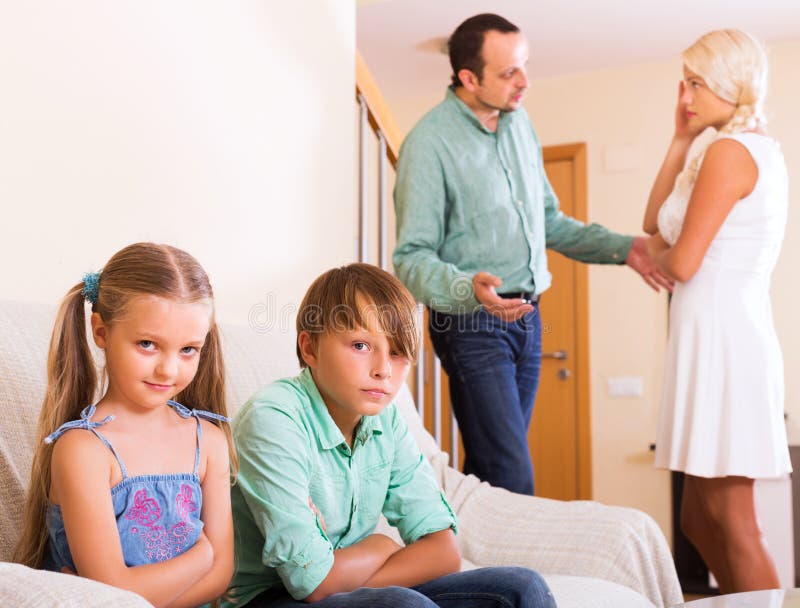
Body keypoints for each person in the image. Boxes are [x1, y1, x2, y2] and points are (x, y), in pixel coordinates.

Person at [393, 12, 672, 495]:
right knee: (511, 473)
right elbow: (410, 257)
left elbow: (549, 221)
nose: (525, 81)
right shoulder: (429, 143)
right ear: (468, 78)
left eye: (525, 65)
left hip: (528, 318)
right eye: (509, 73)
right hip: (472, 322)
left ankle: (467, 545)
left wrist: (624, 248)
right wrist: (467, 287)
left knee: (492, 469)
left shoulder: (520, 125)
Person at [224, 263, 555, 608]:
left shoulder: (386, 420)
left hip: (347, 584)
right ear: (309, 349)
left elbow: (443, 551)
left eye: (397, 353)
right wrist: (379, 546)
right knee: (403, 604)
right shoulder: (273, 418)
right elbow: (311, 582)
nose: (383, 370)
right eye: (360, 345)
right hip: (265, 598)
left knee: (522, 586)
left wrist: (343, 577)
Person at [644, 29, 790, 593]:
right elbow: (653, 222)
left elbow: (679, 260)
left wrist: (656, 255)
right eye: (683, 82)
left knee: (734, 521)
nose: (685, 95)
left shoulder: (734, 152)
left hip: (727, 339)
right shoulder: (717, 148)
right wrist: (680, 138)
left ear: (732, 84)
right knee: (697, 520)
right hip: (707, 335)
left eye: (697, 83)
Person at [13, 242, 236, 608]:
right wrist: (202, 556)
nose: (168, 369)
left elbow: (221, 575)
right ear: (101, 332)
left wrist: (205, 566)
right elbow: (113, 592)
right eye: (147, 344)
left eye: (188, 350)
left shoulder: (208, 441)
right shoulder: (84, 450)